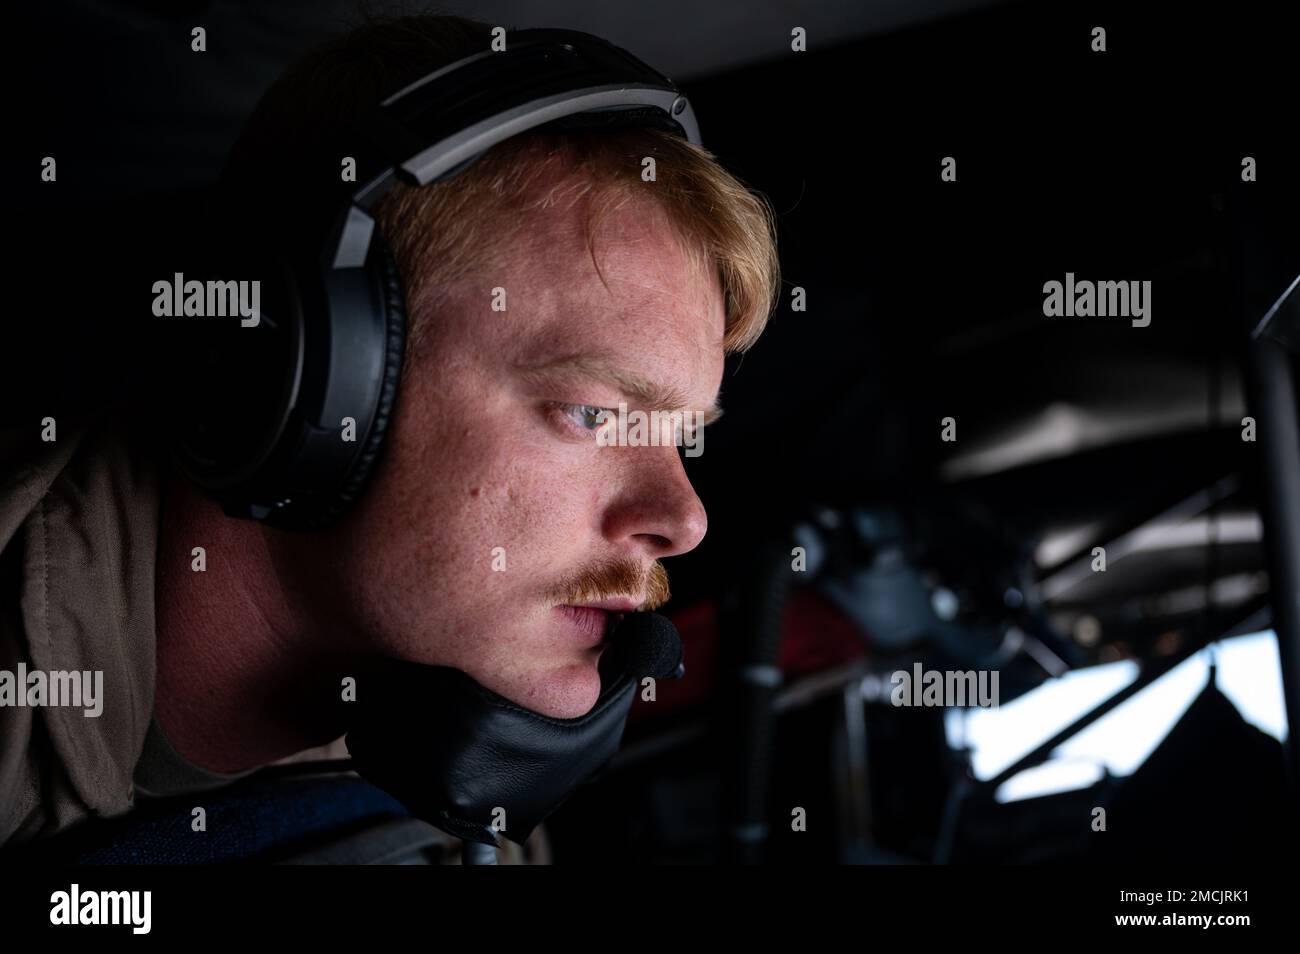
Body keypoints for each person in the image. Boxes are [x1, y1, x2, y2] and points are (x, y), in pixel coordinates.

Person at [0, 12, 779, 847]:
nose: (685, 519)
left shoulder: (465, 790)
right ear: (300, 375)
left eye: (678, 433)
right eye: (595, 413)